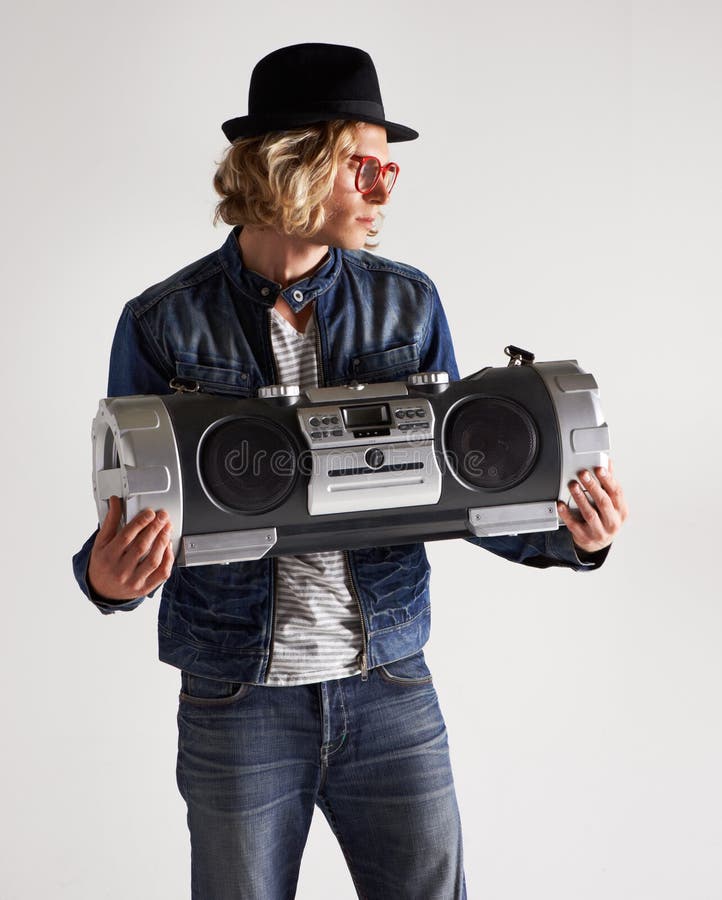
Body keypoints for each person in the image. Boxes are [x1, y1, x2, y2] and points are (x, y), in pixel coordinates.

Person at [73, 43, 628, 900]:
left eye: (391, 172)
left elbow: (461, 488)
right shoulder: (161, 322)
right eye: (364, 169)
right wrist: (106, 581)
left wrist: (571, 538)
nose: (384, 192)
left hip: (390, 685)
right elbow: (127, 524)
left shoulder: (410, 302)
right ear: (293, 166)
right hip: (236, 698)